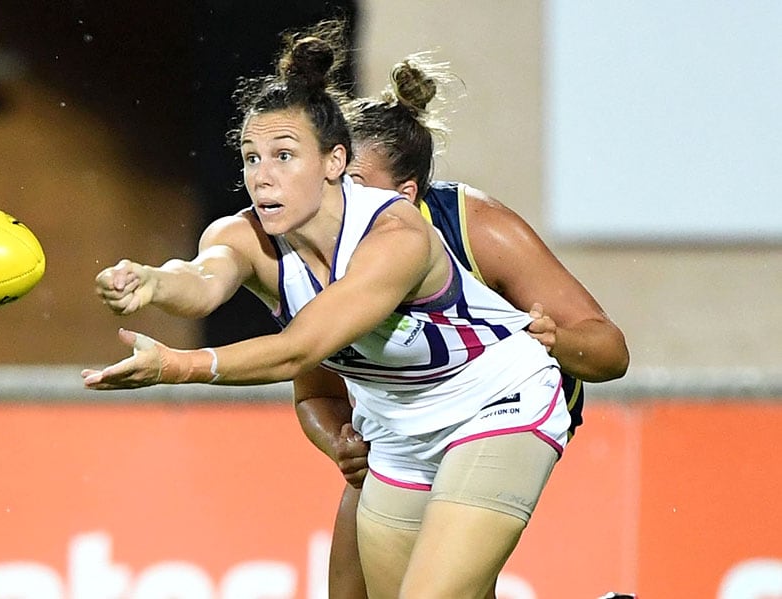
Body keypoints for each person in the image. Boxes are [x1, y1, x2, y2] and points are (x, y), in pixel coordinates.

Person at [82, 20, 625, 599]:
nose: (261, 177)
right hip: (396, 429)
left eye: (284, 156)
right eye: (250, 158)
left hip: (496, 402)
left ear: (334, 163)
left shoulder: (398, 235)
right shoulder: (245, 235)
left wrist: (175, 366)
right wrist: (154, 283)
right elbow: (203, 278)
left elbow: (300, 349)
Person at [293, 53, 630, 598]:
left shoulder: (477, 227)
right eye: (328, 178)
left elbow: (610, 351)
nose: (332, 197)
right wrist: (340, 441)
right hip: (402, 429)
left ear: (404, 196)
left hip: (497, 409)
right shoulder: (313, 247)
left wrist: (554, 339)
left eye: (351, 181)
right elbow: (314, 391)